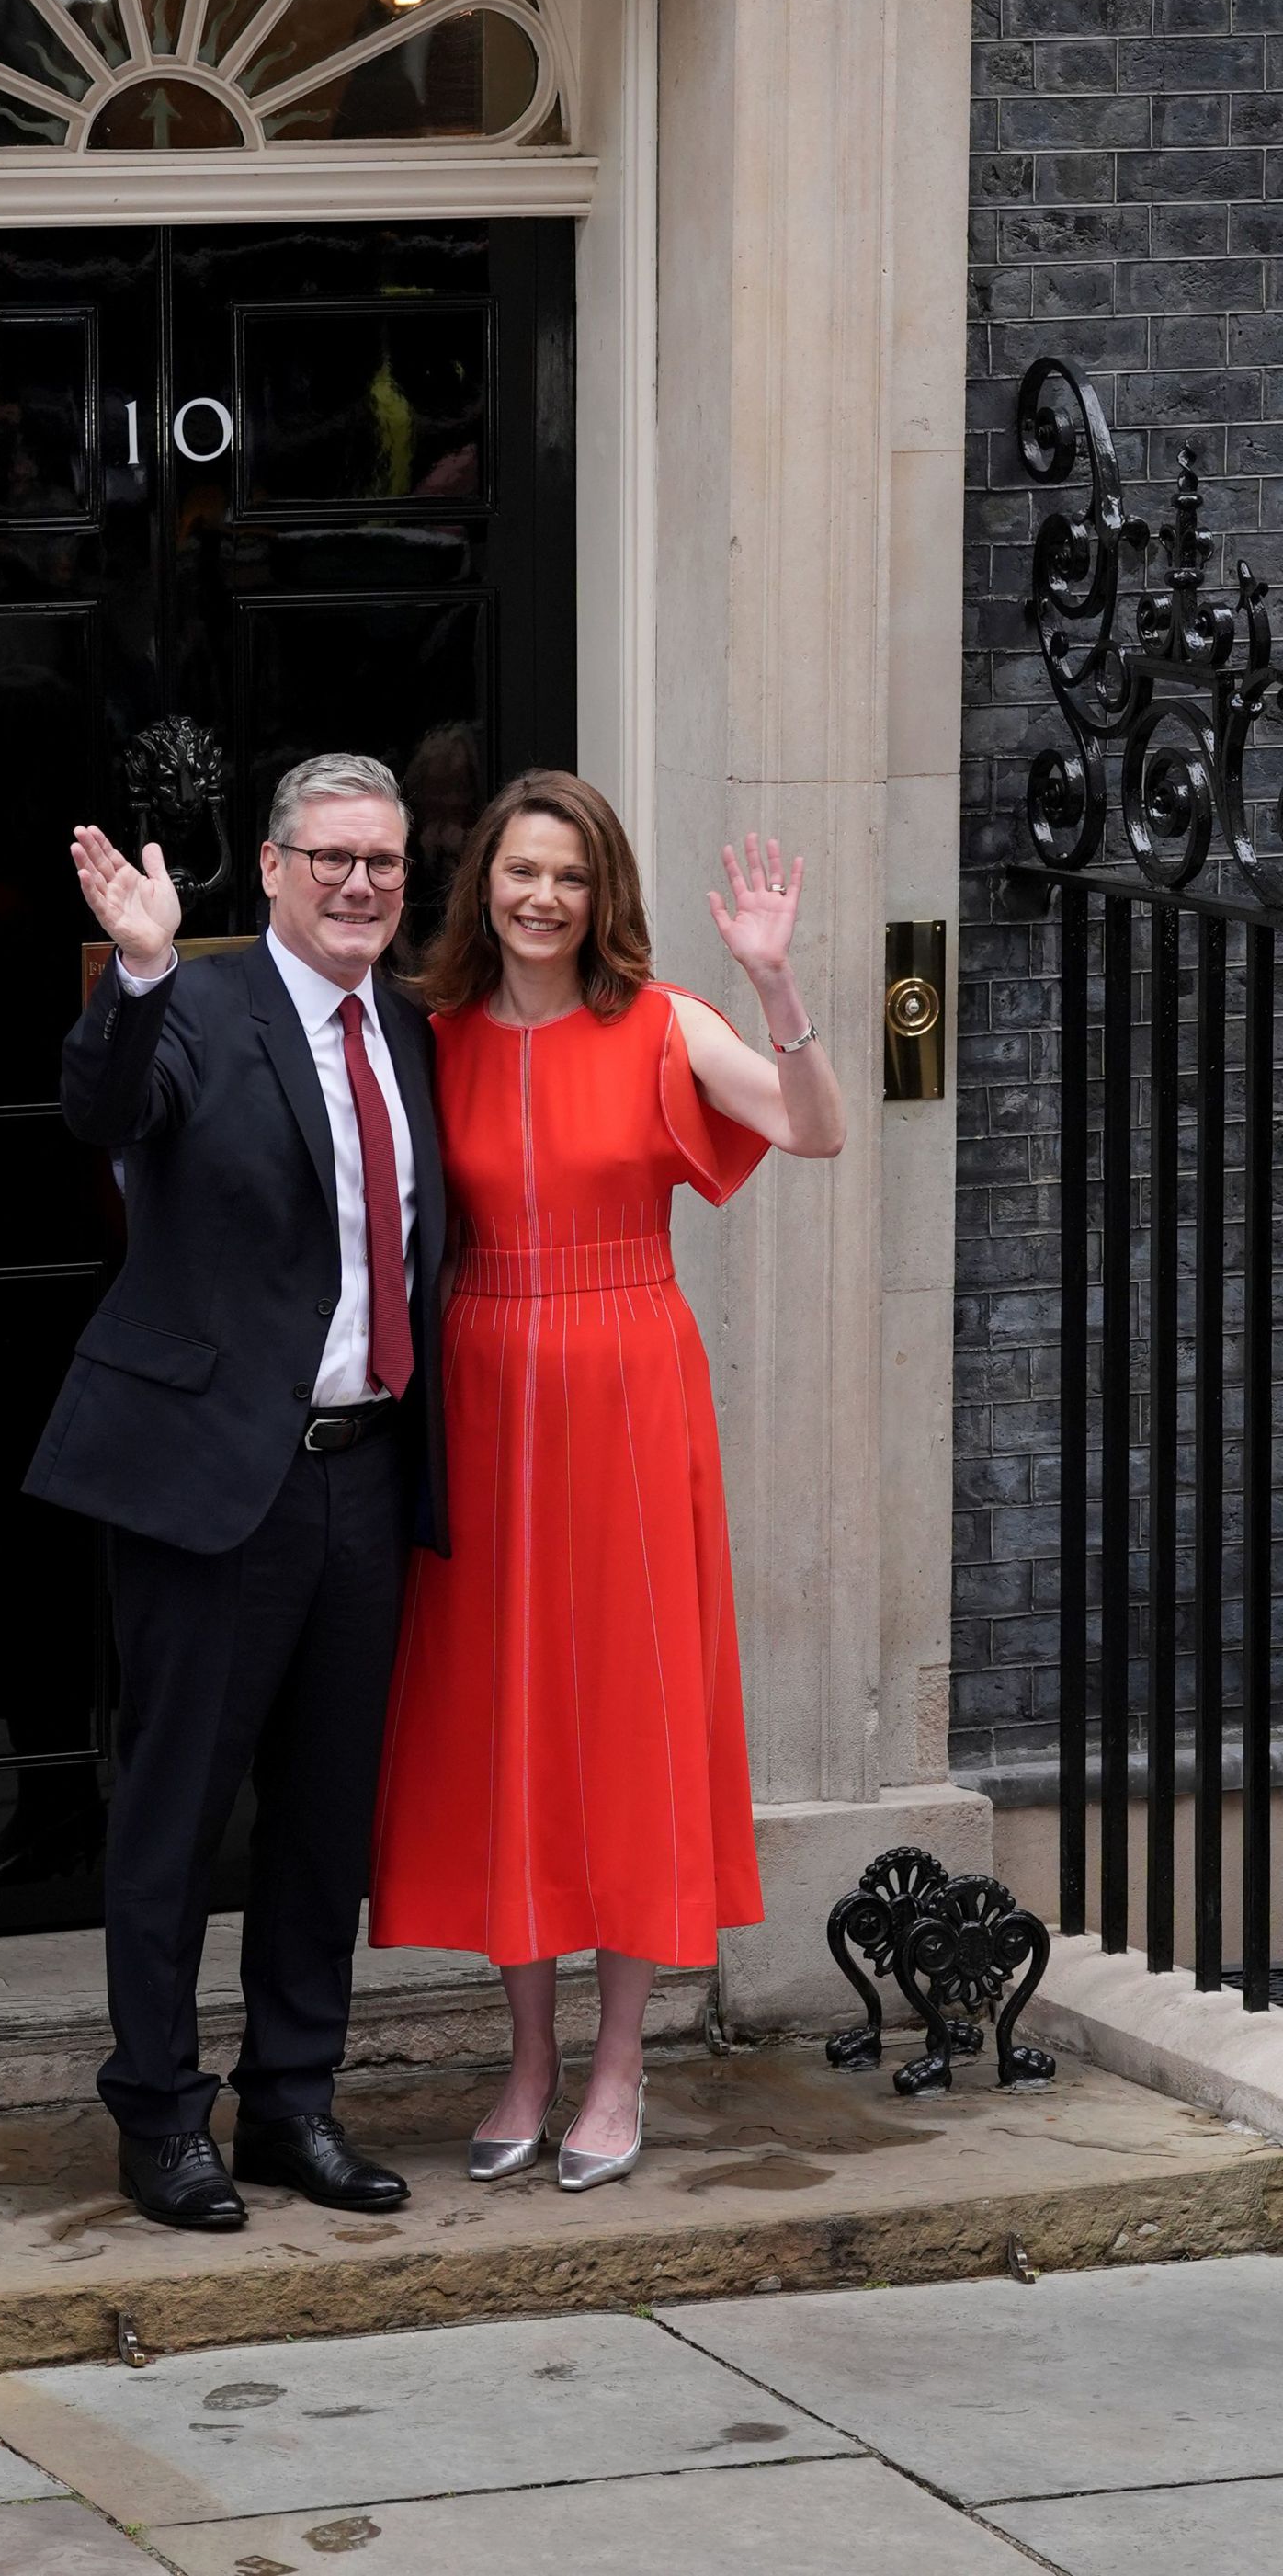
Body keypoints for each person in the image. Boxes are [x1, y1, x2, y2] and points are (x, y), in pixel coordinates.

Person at [369, 772, 845, 2189]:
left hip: (630, 1384)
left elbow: (813, 1127)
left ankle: (621, 2058)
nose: (542, 898)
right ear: (484, 884)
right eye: (522, 871)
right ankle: (526, 2056)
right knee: (506, 1711)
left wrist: (775, 986)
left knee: (628, 1711)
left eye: (569, 876)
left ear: (602, 894)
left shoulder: (659, 1023)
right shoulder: (430, 1035)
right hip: (482, 1379)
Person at [28, 753, 449, 2230]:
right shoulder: (196, 1005)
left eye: (384, 862)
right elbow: (101, 1111)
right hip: (217, 1485)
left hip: (362, 1471)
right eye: (330, 856)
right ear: (269, 868)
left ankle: (292, 2101)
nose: (358, 884)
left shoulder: (406, 1028)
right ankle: (159, 2115)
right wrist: (139, 969)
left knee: (324, 1819)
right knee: (175, 1811)